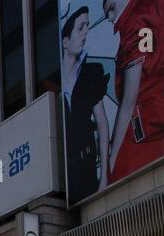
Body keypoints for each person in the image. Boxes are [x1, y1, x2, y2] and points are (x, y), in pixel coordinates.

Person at [104, 0, 164, 184]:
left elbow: (129, 98)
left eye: (111, 8)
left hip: (139, 132)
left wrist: (111, 161)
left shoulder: (136, 21)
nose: (110, 18)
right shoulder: (153, 8)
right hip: (159, 119)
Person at [61, 5, 110, 203]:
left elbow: (103, 124)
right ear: (66, 41)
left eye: (87, 26)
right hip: (68, 177)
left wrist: (104, 178)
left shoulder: (91, 73)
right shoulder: (56, 85)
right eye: (80, 28)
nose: (85, 33)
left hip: (89, 166)